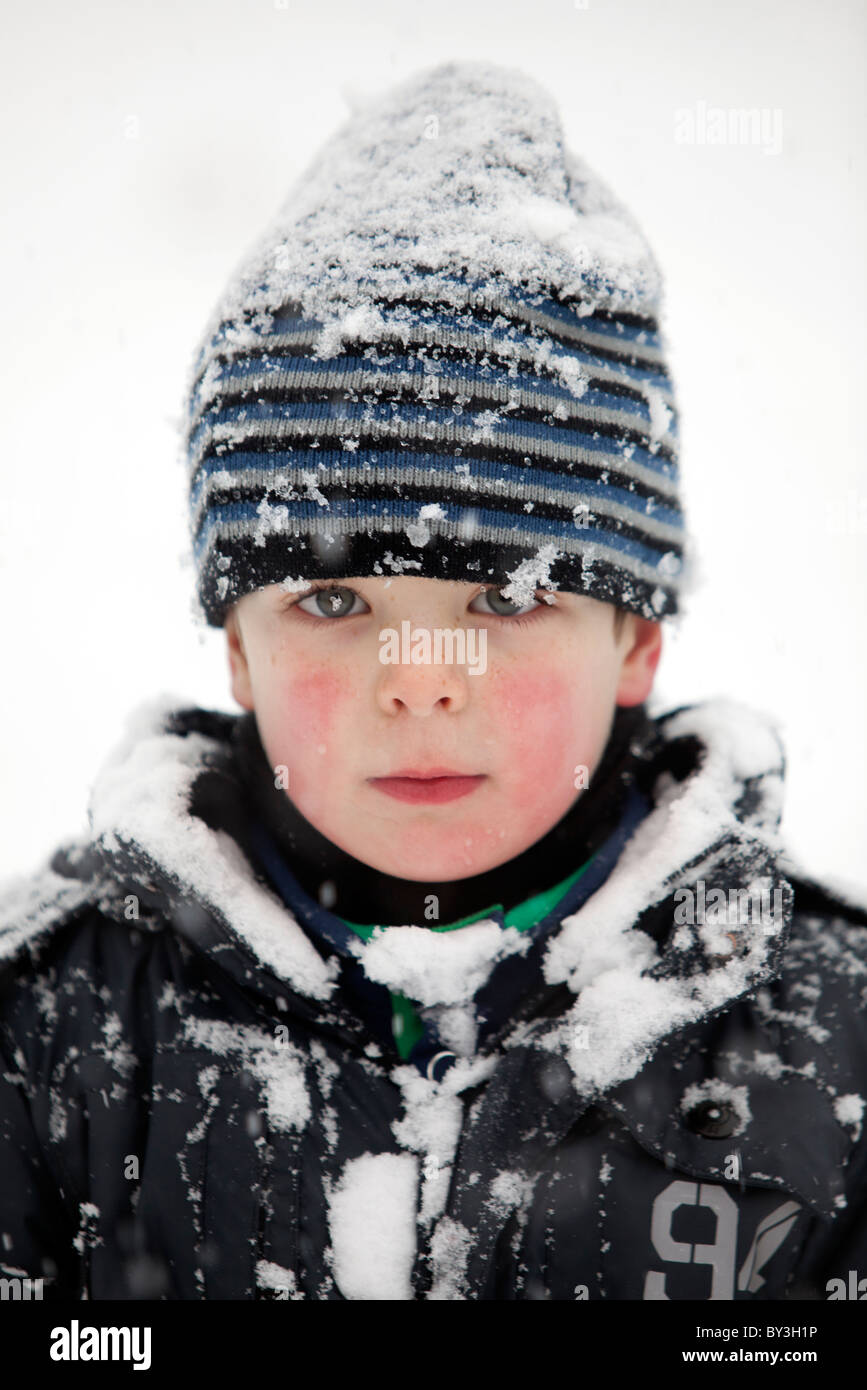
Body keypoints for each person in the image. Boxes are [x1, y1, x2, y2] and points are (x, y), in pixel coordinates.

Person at [1, 58, 865, 1303]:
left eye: (504, 597)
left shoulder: (836, 1055)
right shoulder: (50, 1038)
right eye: (336, 600)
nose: (419, 682)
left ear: (634, 635)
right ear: (237, 646)